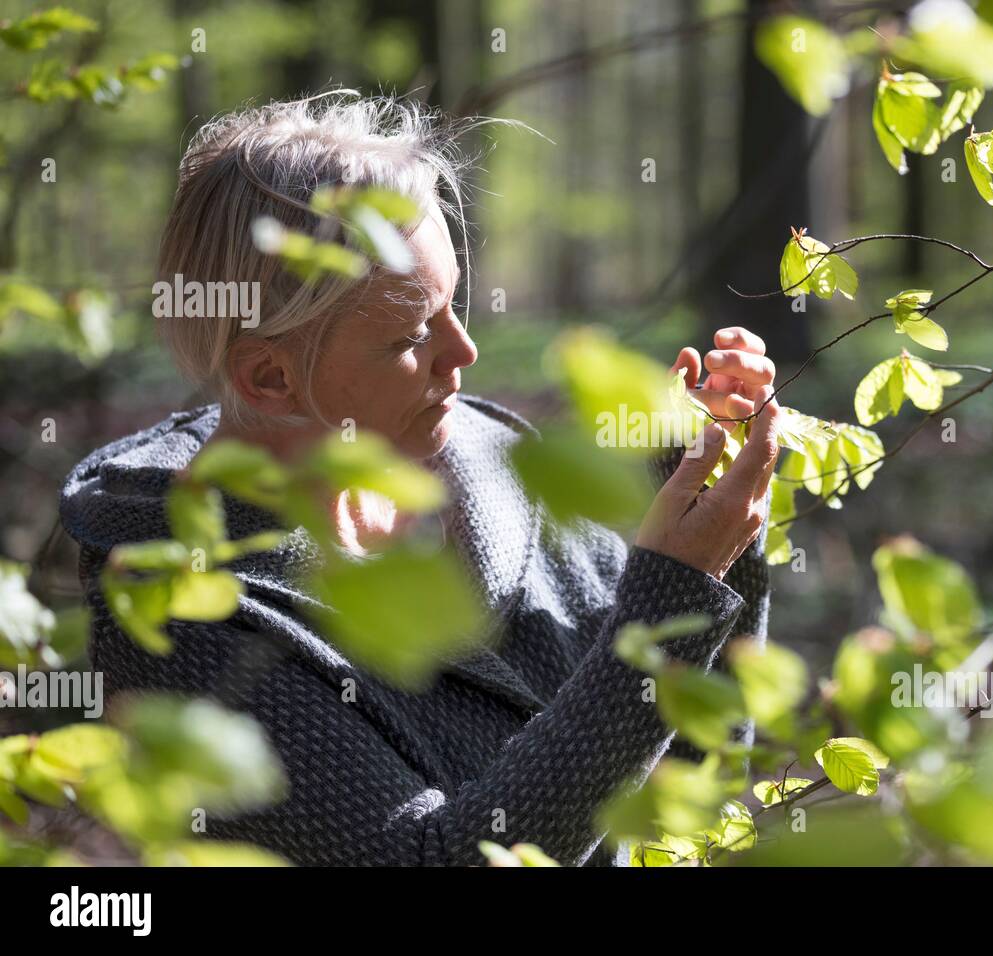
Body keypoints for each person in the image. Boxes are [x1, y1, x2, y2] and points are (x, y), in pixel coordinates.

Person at [59, 92, 779, 866]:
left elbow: (691, 791)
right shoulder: (183, 616)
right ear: (271, 377)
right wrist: (676, 587)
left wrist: (710, 530)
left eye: (453, 301)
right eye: (410, 332)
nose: (464, 352)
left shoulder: (502, 474)